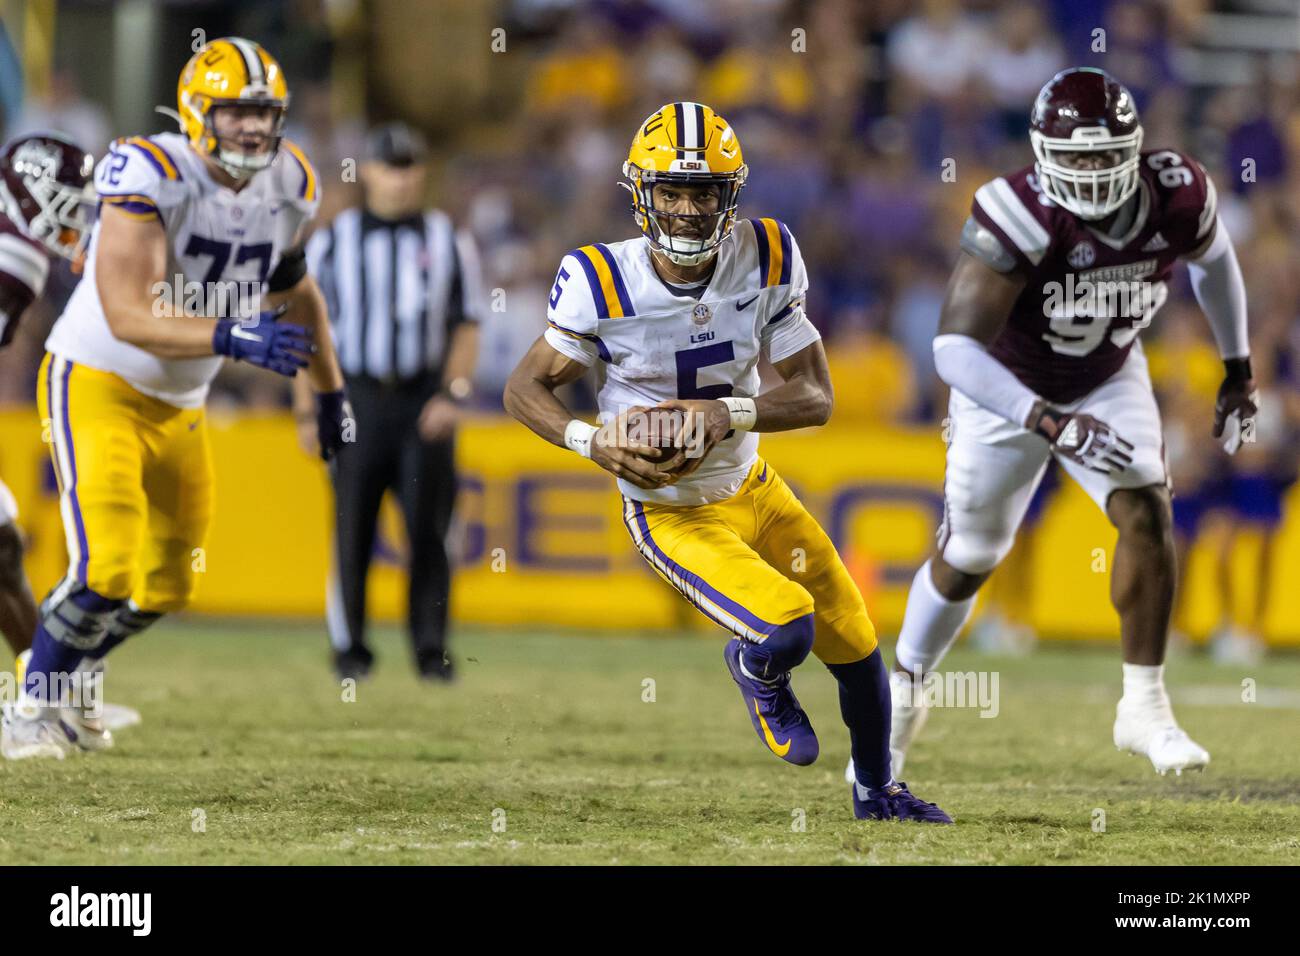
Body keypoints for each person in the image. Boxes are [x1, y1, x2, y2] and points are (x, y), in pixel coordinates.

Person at [505, 101, 951, 823]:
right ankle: (753, 667)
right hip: (672, 511)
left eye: (704, 192)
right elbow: (524, 387)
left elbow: (815, 397)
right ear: (641, 196)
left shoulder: (768, 253)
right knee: (787, 627)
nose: (687, 209)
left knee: (859, 643)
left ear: (731, 195)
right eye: (672, 192)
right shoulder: (599, 278)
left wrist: (723, 413)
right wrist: (593, 440)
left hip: (753, 484)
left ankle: (878, 795)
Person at [883, 68, 1255, 779]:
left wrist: (1237, 371)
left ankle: (1143, 706)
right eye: (1075, 157)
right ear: (1042, 153)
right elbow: (953, 349)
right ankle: (904, 685)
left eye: (1102, 154)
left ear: (1135, 147)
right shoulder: (1018, 211)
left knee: (1147, 509)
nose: (1089, 171)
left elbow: (1215, 263)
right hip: (1006, 388)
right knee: (971, 556)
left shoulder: (1176, 192)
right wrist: (1047, 422)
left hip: (1106, 374)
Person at [2, 37, 349, 760]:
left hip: (181, 401)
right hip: (98, 378)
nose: (253, 128)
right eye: (235, 113)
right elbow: (130, 313)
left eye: (264, 113)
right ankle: (30, 705)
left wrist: (328, 393)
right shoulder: (152, 170)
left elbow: (295, 291)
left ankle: (78, 680)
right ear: (197, 112)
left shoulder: (291, 183)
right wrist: (233, 337)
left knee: (168, 583)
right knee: (107, 568)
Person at [300, 123, 482, 681]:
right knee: (351, 526)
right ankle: (350, 648)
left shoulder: (450, 239)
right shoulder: (333, 240)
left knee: (430, 530)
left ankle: (430, 649)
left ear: (421, 173)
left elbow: (466, 325)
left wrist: (452, 393)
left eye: (409, 167)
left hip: (423, 399)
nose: (400, 180)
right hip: (355, 397)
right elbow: (308, 327)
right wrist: (310, 408)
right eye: (389, 167)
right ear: (369, 172)